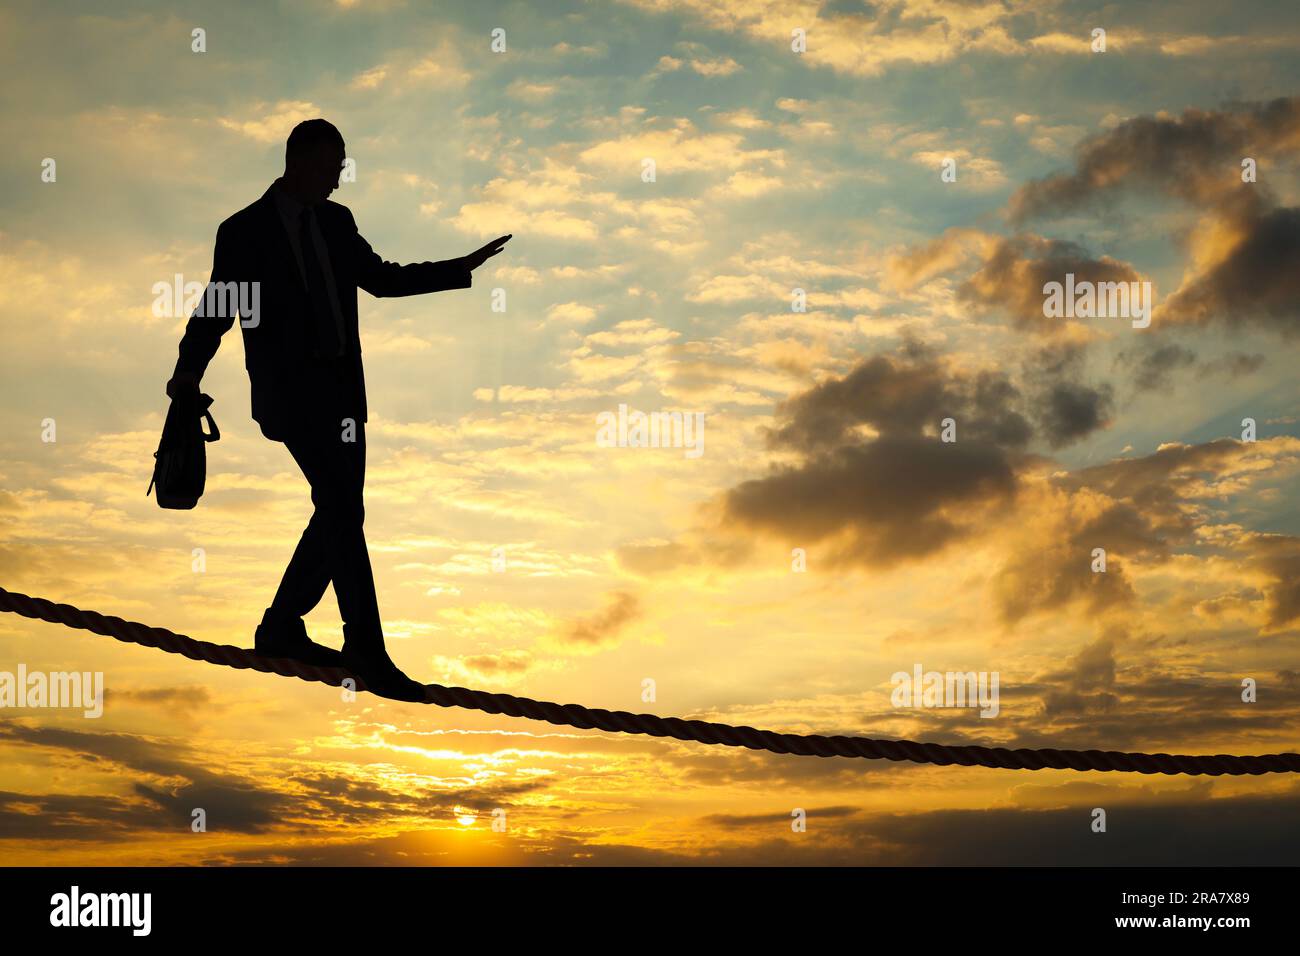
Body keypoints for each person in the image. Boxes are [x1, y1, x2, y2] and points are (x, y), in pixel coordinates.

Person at [166, 118, 510, 700]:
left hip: (345, 398)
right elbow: (215, 311)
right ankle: (365, 648)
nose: (337, 182)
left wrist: (458, 269)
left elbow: (379, 279)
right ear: (297, 162)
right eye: (331, 168)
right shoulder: (244, 231)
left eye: (341, 170)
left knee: (341, 509)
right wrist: (184, 380)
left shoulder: (336, 221)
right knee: (342, 509)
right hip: (290, 399)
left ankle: (281, 625)